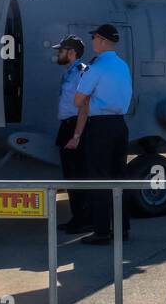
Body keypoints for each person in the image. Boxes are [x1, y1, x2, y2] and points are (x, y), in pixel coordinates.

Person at [71, 24, 133, 246]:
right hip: (119, 124)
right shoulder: (122, 65)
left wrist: (89, 99)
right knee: (119, 178)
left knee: (98, 178)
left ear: (104, 41)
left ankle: (101, 231)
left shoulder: (96, 67)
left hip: (100, 127)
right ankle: (122, 227)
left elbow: (78, 100)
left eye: (95, 38)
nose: (93, 42)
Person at [52, 35, 92, 232]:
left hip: (77, 126)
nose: (58, 54)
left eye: (61, 50)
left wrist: (77, 136)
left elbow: (85, 105)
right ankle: (77, 217)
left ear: (72, 53)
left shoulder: (81, 73)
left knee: (78, 175)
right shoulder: (69, 72)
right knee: (70, 176)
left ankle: (84, 219)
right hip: (67, 125)